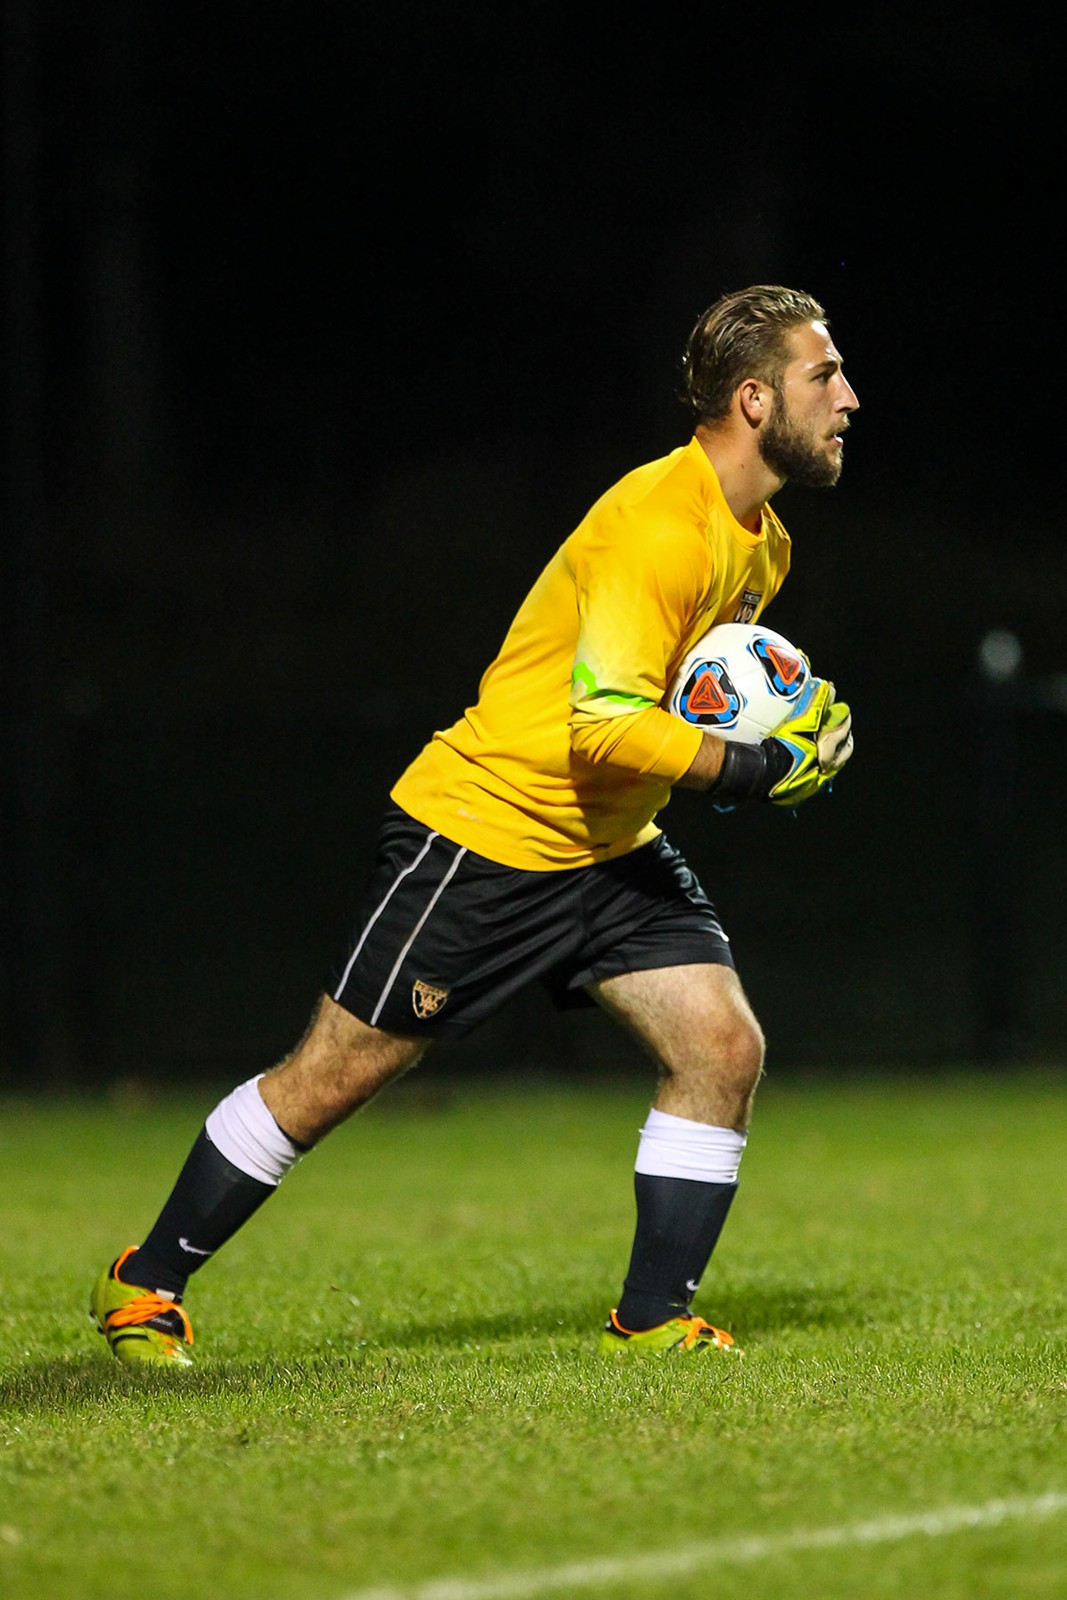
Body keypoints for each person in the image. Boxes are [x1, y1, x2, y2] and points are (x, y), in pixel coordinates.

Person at [89, 283, 858, 1366]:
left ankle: (649, 1319)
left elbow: (676, 704)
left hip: (605, 846)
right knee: (332, 1075)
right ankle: (146, 1281)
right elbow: (602, 727)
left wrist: (774, 730)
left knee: (720, 1045)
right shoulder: (657, 525)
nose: (848, 397)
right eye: (823, 375)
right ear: (750, 398)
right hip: (484, 832)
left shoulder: (761, 542)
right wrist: (751, 766)